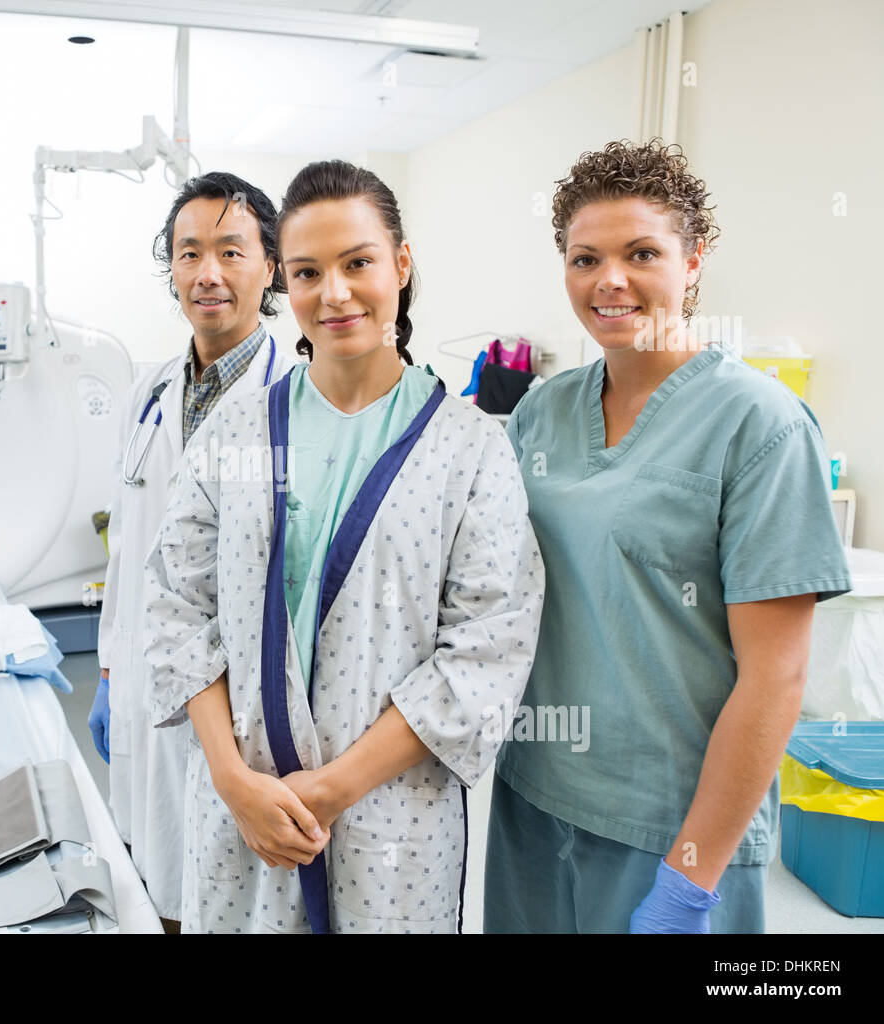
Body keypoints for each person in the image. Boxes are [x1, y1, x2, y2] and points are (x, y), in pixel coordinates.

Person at [143, 159, 544, 933]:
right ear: (281, 285)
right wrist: (234, 782)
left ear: (400, 263)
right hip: (241, 806)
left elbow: (487, 648)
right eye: (306, 272)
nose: (333, 294)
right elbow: (176, 603)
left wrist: (324, 793)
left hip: (389, 818)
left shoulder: (470, 448)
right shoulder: (238, 430)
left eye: (357, 263)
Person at [483, 139, 852, 933]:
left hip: (673, 830)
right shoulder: (542, 413)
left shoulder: (759, 426)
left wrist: (689, 883)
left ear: (693, 261)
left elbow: (776, 680)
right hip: (533, 800)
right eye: (586, 259)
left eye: (642, 252)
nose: (609, 280)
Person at [89, 171, 295, 929]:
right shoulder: (146, 394)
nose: (208, 273)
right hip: (142, 683)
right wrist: (110, 667)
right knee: (151, 876)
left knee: (225, 897)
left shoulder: (292, 403)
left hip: (234, 711)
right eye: (188, 253)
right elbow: (126, 551)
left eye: (231, 252)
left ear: (269, 266)